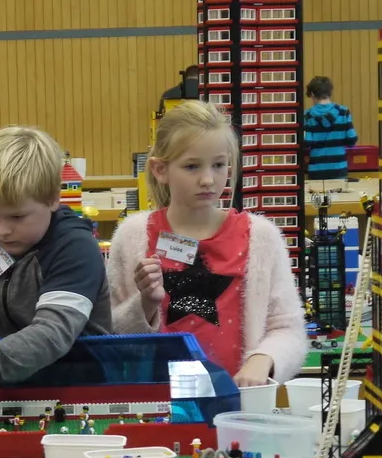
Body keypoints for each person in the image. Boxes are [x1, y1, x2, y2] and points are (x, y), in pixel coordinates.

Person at [105, 100, 307, 385]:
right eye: (191, 166)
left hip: (239, 405)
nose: (208, 179)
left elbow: (288, 327)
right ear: (160, 169)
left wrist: (263, 360)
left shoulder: (261, 237)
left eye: (219, 165)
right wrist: (145, 304)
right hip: (159, 406)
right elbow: (110, 333)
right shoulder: (133, 236)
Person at [0, 125, 112, 385]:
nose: (2, 231)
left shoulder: (75, 249)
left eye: (17, 216)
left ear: (52, 199)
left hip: (75, 394)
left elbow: (51, 334)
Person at [303, 75, 358, 181]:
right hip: (338, 168)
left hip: (316, 170)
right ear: (330, 93)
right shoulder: (343, 112)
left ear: (312, 94)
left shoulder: (307, 115)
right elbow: (352, 139)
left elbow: (307, 142)